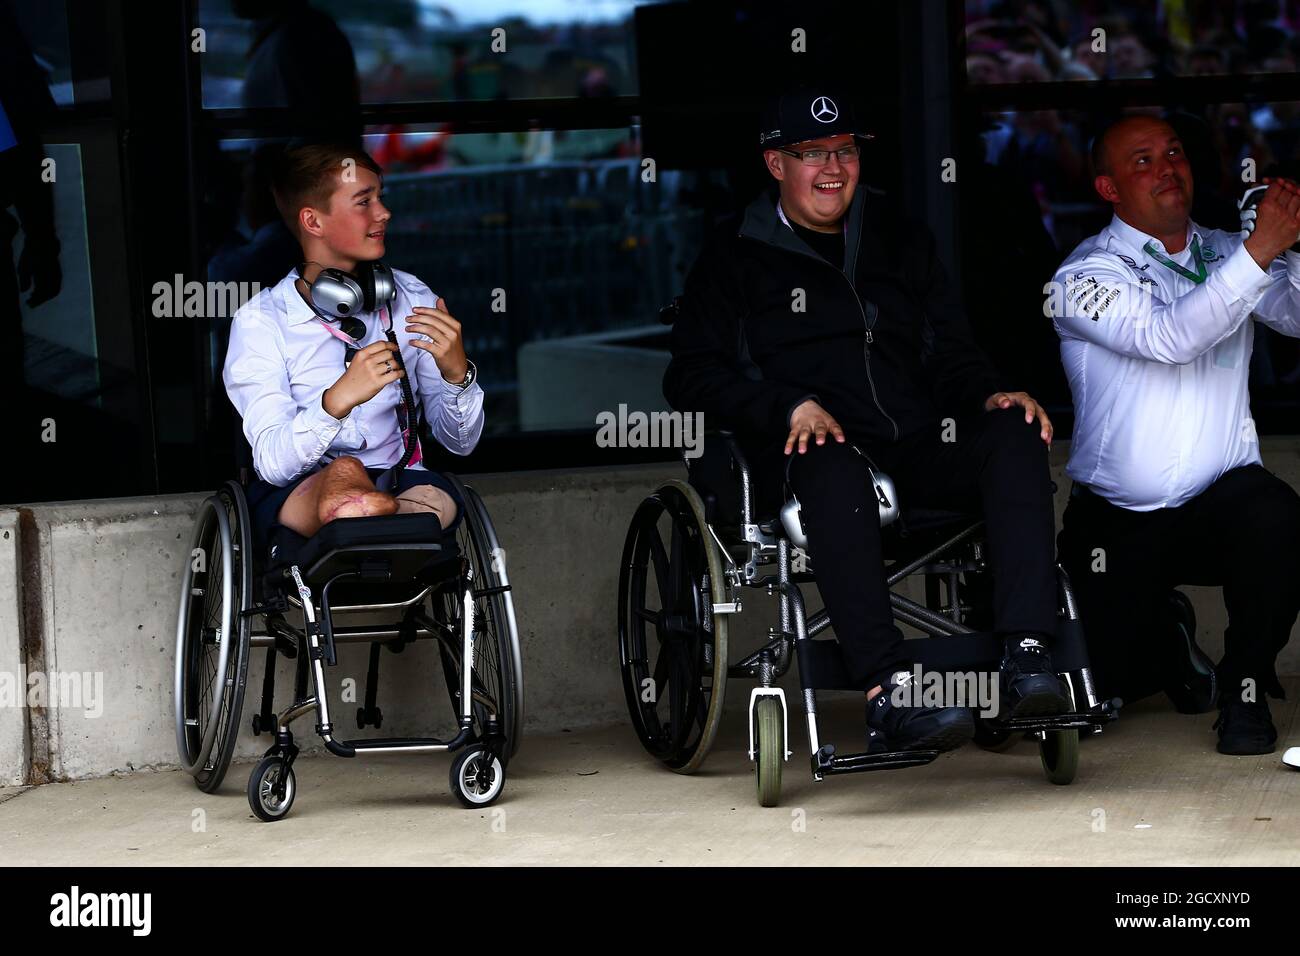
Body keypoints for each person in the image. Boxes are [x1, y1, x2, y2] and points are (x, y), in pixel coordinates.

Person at [663, 88, 1068, 753]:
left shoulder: (899, 237)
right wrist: (785, 404)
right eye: (812, 152)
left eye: (845, 150)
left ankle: (1027, 657)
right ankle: (888, 692)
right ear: (775, 164)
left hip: (914, 445)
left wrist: (989, 395)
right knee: (831, 464)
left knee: (1016, 433)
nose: (833, 167)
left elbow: (951, 351)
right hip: (805, 458)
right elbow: (689, 375)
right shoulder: (732, 254)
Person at [1048, 115, 1300, 755]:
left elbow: (1295, 317)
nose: (1167, 168)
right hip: (1117, 523)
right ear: (1108, 189)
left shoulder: (1228, 248)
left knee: (1281, 522)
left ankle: (1244, 690)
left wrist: (1287, 247)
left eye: (1175, 153)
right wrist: (1258, 252)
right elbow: (1168, 338)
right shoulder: (1082, 277)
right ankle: (1169, 640)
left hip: (1220, 502)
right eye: (1142, 161)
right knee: (1103, 689)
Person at [223, 142, 483, 548]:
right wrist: (337, 400)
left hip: (401, 479)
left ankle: (375, 512)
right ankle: (377, 512)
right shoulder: (261, 321)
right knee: (345, 475)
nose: (384, 213)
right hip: (305, 490)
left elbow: (461, 443)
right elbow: (272, 464)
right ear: (313, 221)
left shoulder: (411, 297)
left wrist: (457, 374)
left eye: (381, 198)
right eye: (364, 202)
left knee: (434, 498)